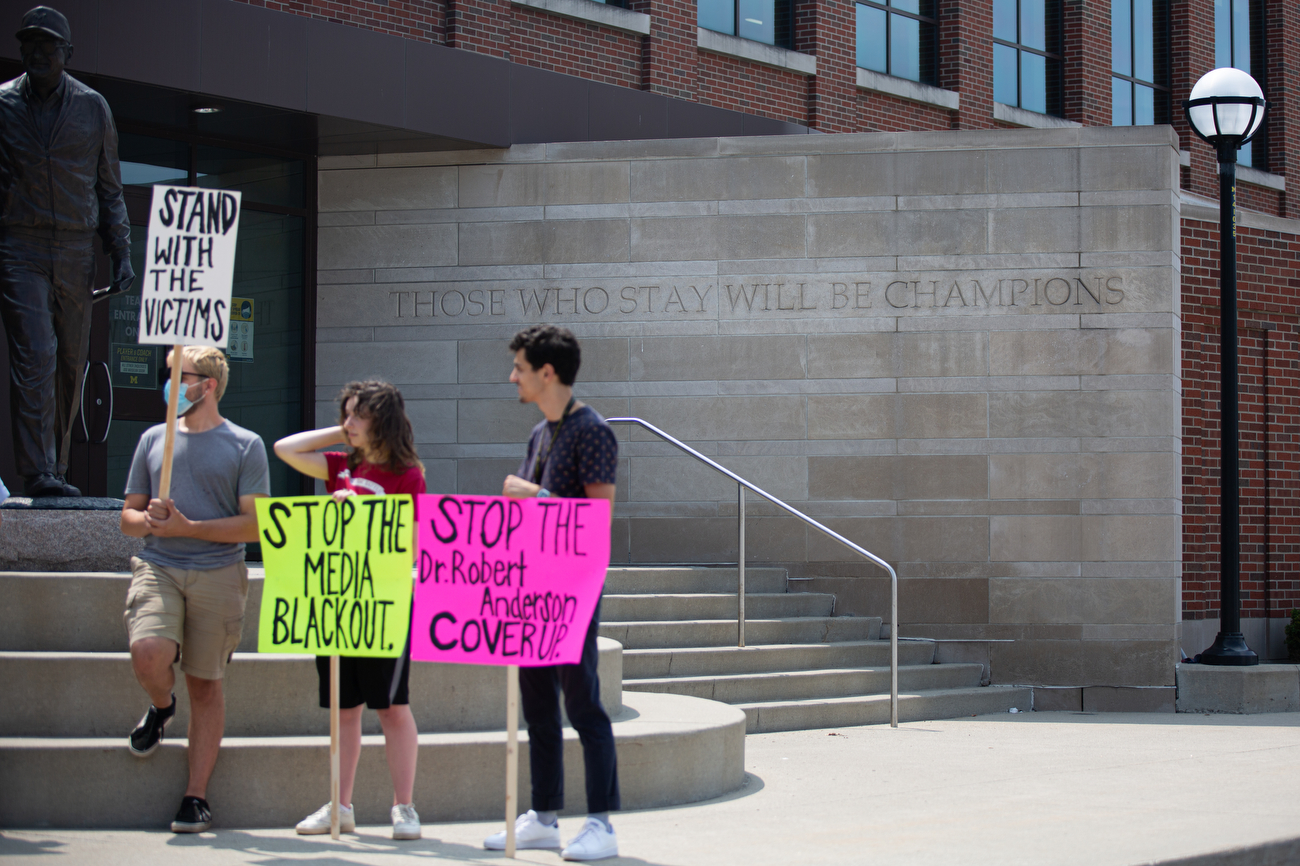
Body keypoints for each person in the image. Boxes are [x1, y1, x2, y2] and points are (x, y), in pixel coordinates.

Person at [484, 324, 621, 862]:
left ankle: (602, 824)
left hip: (574, 590)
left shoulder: (593, 431)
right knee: (537, 703)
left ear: (548, 372)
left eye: (519, 367)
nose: (511, 376)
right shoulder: (540, 434)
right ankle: (543, 815)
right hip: (532, 588)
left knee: (583, 700)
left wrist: (534, 494)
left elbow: (598, 520)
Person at [119, 346, 269, 833]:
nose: (168, 385)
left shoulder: (246, 446)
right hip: (159, 565)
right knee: (148, 652)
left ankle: (195, 796)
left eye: (177, 376)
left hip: (219, 574)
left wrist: (188, 527)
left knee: (206, 685)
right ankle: (162, 707)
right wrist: (150, 521)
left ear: (206, 384)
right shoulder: (152, 440)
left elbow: (253, 528)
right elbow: (127, 519)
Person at [274, 380, 426, 841]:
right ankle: (340, 805)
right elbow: (285, 448)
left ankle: (404, 807)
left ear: (382, 419)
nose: (349, 422)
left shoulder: (407, 473)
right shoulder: (339, 464)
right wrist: (340, 434)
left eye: (358, 415)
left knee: (392, 708)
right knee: (345, 708)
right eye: (346, 413)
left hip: (385, 601)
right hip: (338, 599)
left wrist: (362, 514)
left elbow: (412, 544)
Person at [0, 6, 135, 497]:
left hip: (77, 248)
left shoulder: (93, 107)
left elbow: (110, 187)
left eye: (48, 45)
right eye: (29, 45)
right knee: (36, 354)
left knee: (71, 362)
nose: (37, 53)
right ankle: (37, 472)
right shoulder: (2, 104)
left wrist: (120, 252)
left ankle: (54, 468)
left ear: (68, 54)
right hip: (21, 245)